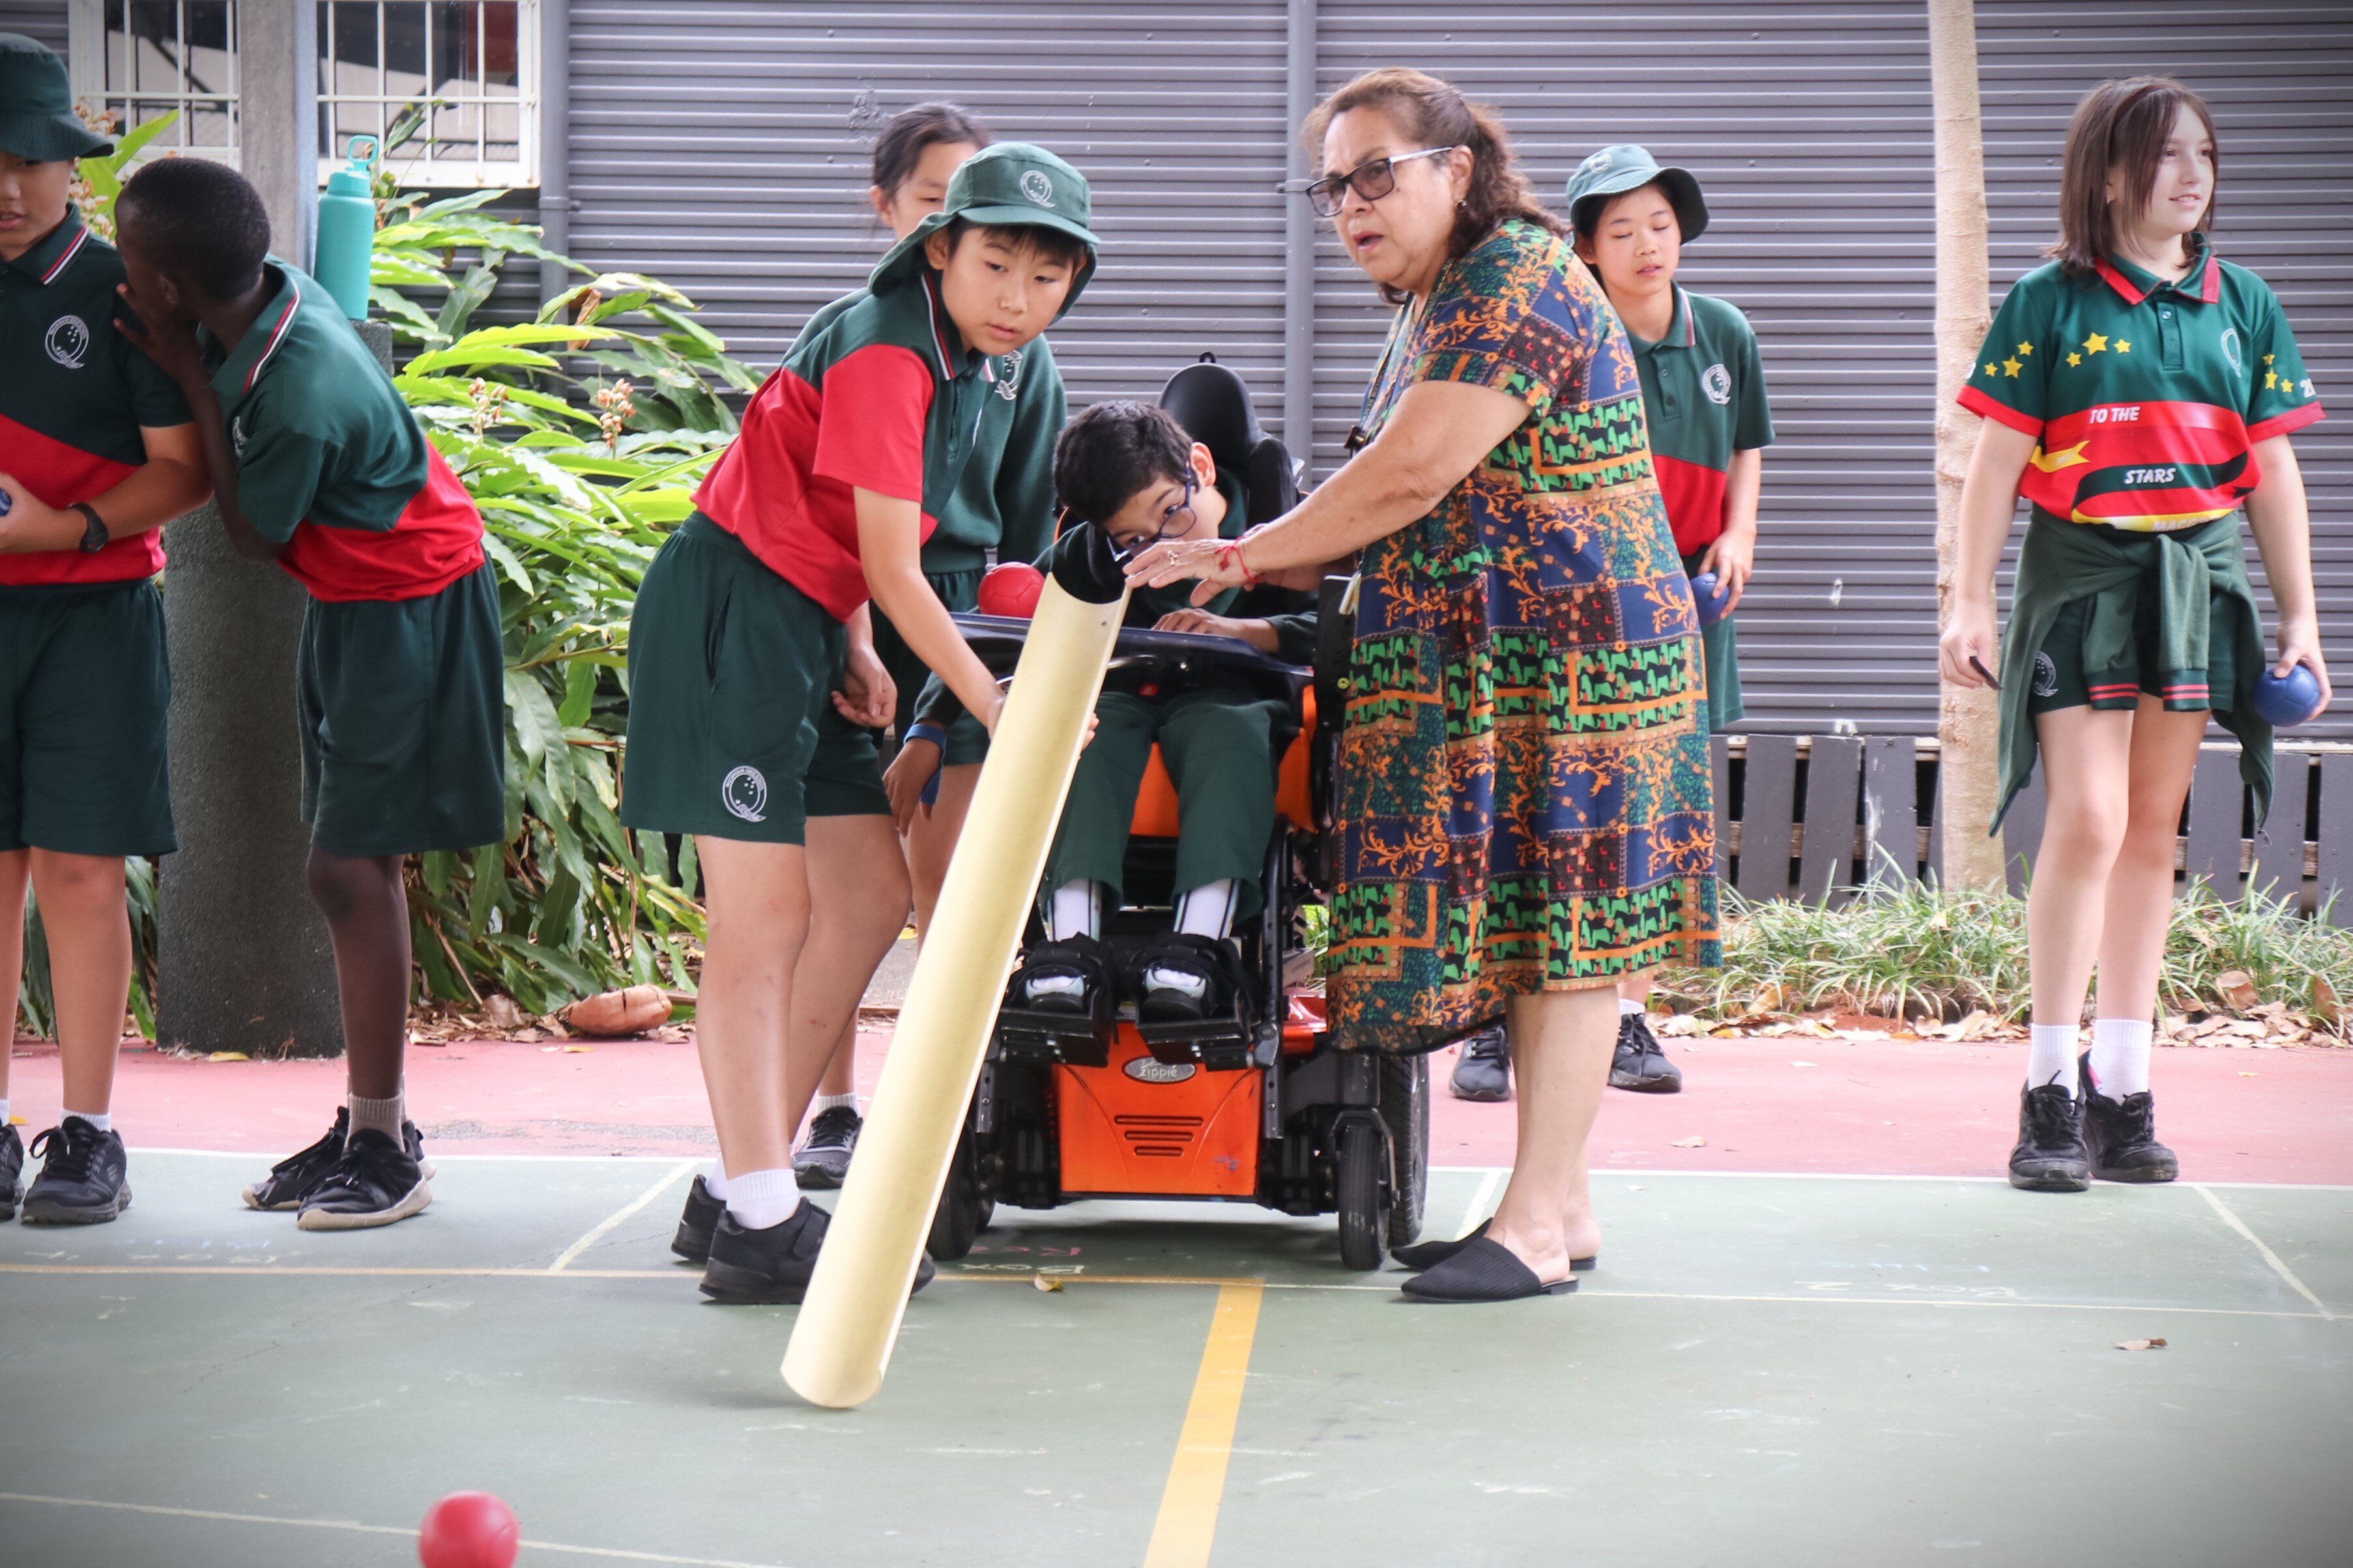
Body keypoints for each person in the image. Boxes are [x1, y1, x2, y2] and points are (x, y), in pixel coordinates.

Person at [1129, 68, 1717, 1302]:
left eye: (1376, 172)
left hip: (1574, 660)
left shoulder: (1510, 280)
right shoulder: (1442, 293)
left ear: (1458, 168)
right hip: (1512, 653)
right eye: (1332, 185)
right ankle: (1557, 1201)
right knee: (1540, 927)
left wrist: (1234, 554)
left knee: (1569, 933)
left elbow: (1408, 478)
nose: (1351, 204)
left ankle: (1538, 1228)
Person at [622, 144, 1097, 1302]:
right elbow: (892, 560)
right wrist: (996, 700)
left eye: (1047, 277)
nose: (1017, 298)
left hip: (810, 621)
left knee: (872, 898)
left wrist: (852, 646)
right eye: (994, 264)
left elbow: (843, 525)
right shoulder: (891, 344)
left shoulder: (989, 364)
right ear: (939, 250)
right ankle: (761, 1219)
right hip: (734, 611)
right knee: (764, 916)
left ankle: (745, 1183)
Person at [1939, 78, 2325, 1192]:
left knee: (2153, 827)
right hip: (2084, 573)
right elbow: (1997, 465)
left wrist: (2302, 616)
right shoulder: (2048, 302)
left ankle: (2122, 1081)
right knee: (2091, 817)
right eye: (2165, 155)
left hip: (2199, 576)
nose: (2191, 174)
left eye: (2204, 152)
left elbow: (2274, 471)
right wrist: (1969, 599)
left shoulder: (2242, 303)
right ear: (2109, 174)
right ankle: (2048, 1084)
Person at [113, 158, 505, 1229]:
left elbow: (249, 534)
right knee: (350, 861)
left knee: (345, 868)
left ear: (175, 291)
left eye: (132, 263)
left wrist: (188, 383)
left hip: (408, 607)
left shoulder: (296, 389)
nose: (121, 275)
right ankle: (372, 1123)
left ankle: (386, 1147)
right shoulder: (265, 293)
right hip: (355, 599)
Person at [787, 102, 1068, 1191]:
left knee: (949, 880)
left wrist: (998, 659)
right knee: (839, 890)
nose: (1009, 278)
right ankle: (833, 1108)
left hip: (964, 628)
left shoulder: (1020, 361)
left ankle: (946, 1104)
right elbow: (820, 526)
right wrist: (848, 631)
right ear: (908, 224)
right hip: (852, 614)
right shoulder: (858, 333)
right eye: (945, 206)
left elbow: (1024, 534)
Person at [888, 401, 1314, 1019]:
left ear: (1200, 466)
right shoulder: (1088, 556)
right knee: (1085, 732)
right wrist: (928, 728)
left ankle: (1201, 944)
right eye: (1134, 539)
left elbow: (1342, 615)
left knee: (1227, 729)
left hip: (1235, 699)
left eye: (1172, 512)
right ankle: (1067, 949)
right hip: (1124, 697)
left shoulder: (1286, 533)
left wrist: (1247, 629)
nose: (1165, 542)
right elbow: (997, 631)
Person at [0, 33, 208, 1224]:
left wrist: (65, 527)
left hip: (95, 616)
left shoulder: (120, 294)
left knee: (81, 873)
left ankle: (87, 1130)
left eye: (33, 159)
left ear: (73, 169)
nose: (11, 188)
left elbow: (181, 473)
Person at [1566, 143, 1773, 1096]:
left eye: (1660, 223)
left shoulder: (1723, 331)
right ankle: (1504, 1022)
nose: (1648, 244)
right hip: (1580, 612)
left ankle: (1627, 1017)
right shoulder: (1564, 331)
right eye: (1621, 230)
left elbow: (1744, 451)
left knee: (1654, 815)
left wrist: (1735, 539)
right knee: (1561, 815)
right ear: (1585, 248)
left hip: (1689, 608)